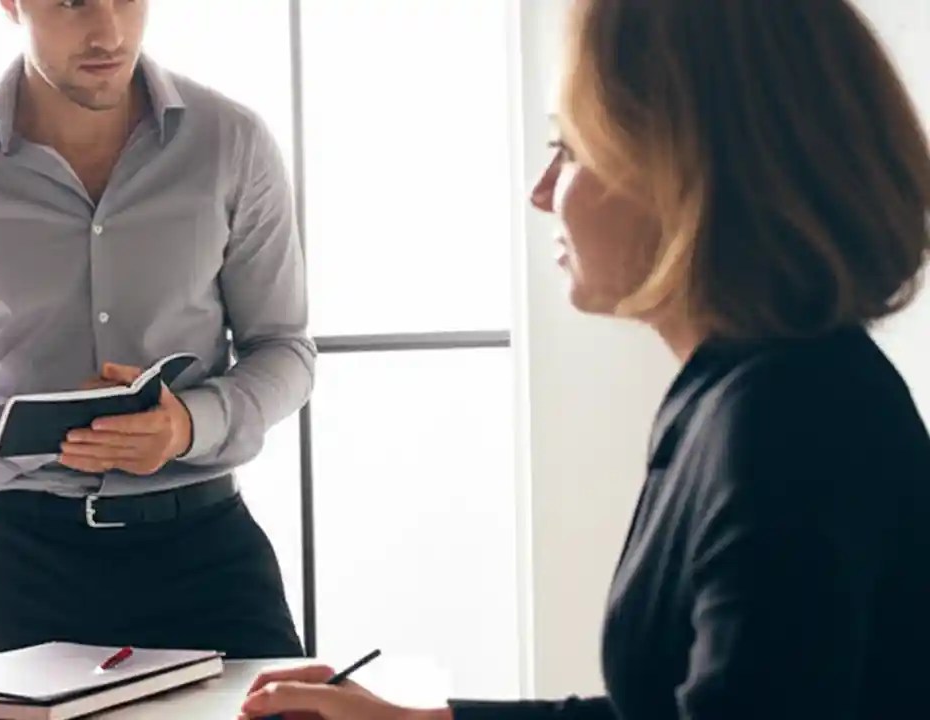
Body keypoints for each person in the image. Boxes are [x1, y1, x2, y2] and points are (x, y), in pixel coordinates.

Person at [239, 0, 930, 718]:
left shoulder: (785, 426)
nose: (542, 193)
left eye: (569, 149)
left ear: (684, 170)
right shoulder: (745, 390)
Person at [0, 0, 312, 659]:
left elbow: (284, 349)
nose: (108, 31)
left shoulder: (231, 142)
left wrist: (186, 425)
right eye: (72, 2)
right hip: (22, 566)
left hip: (207, 552)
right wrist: (16, 436)